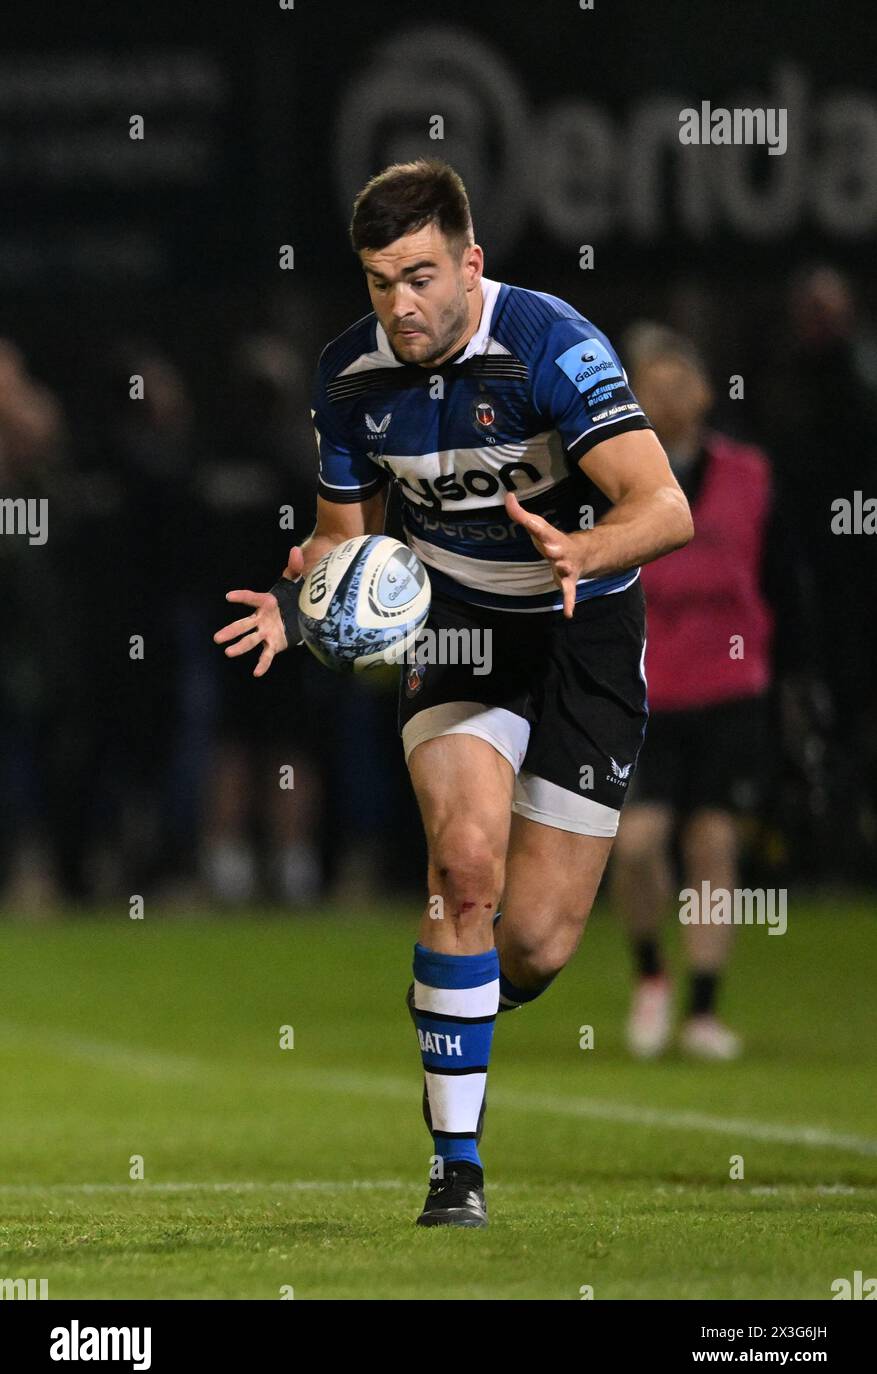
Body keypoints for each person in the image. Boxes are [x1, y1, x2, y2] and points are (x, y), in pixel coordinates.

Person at [213, 160, 692, 1226]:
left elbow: (665, 507)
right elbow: (344, 540)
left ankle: (455, 997)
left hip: (582, 630)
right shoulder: (348, 376)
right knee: (465, 866)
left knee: (537, 946)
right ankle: (456, 1171)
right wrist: (301, 603)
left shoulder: (550, 345)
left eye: (421, 276)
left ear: (471, 263)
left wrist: (585, 548)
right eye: (381, 280)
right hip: (458, 624)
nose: (401, 304)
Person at [611, 323, 785, 1061]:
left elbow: (783, 579)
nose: (668, 398)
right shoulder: (617, 476)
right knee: (637, 844)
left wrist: (795, 679)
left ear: (707, 392)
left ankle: (704, 1009)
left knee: (713, 840)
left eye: (680, 382)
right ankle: (651, 974)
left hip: (729, 685)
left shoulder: (748, 474)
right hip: (648, 688)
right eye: (652, 386)